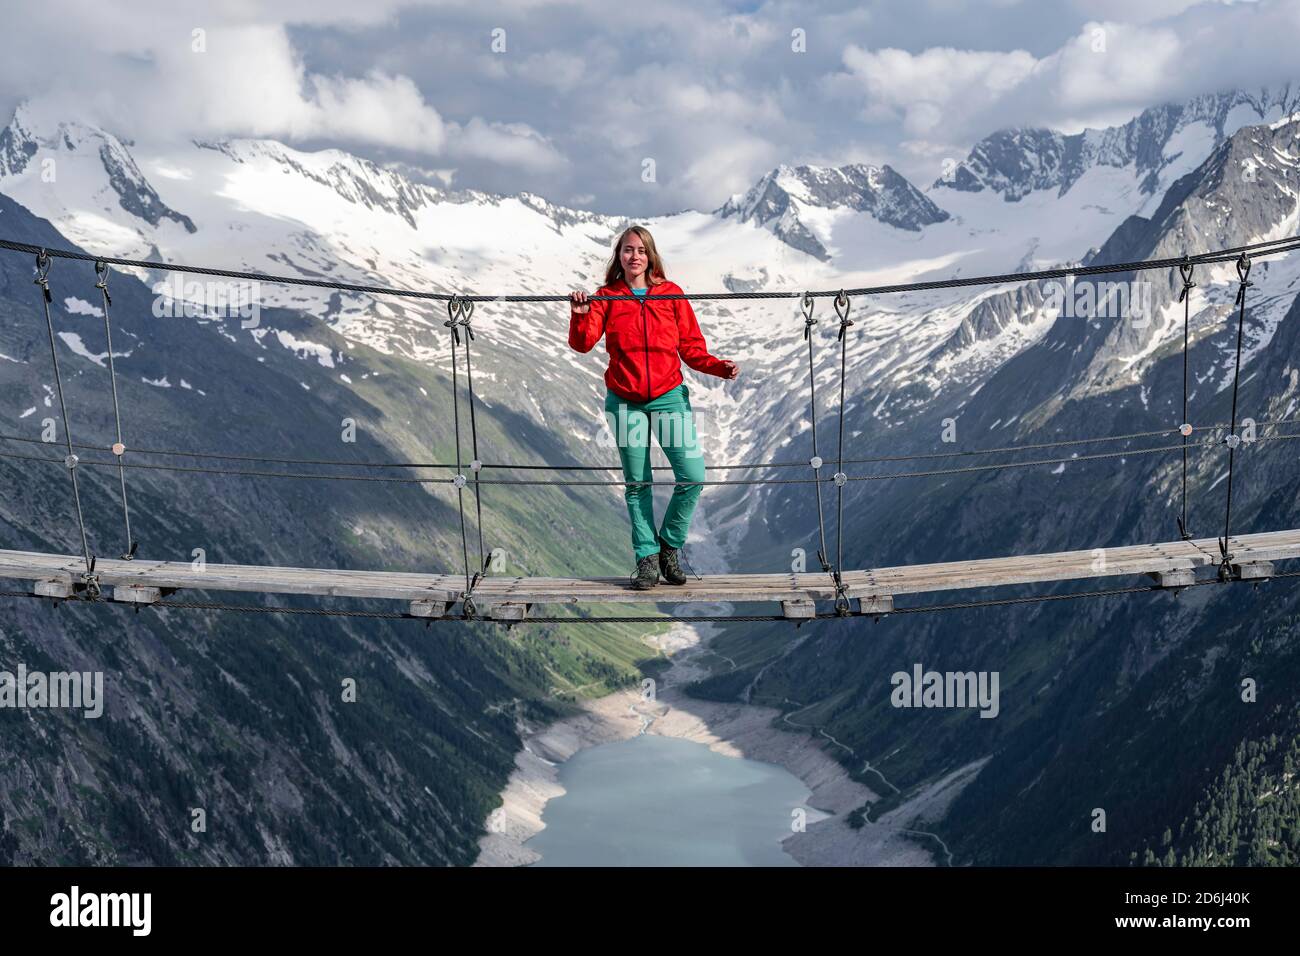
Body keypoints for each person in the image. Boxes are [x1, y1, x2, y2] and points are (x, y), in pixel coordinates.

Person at [569, 225, 739, 590]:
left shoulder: (671, 295)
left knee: (692, 475)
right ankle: (646, 559)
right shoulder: (606, 297)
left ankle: (669, 546)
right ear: (619, 256)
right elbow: (583, 344)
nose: (634, 256)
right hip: (625, 401)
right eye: (628, 250)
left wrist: (717, 366)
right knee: (637, 483)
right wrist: (582, 314)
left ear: (651, 256)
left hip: (668, 396)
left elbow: (691, 347)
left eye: (641, 250)